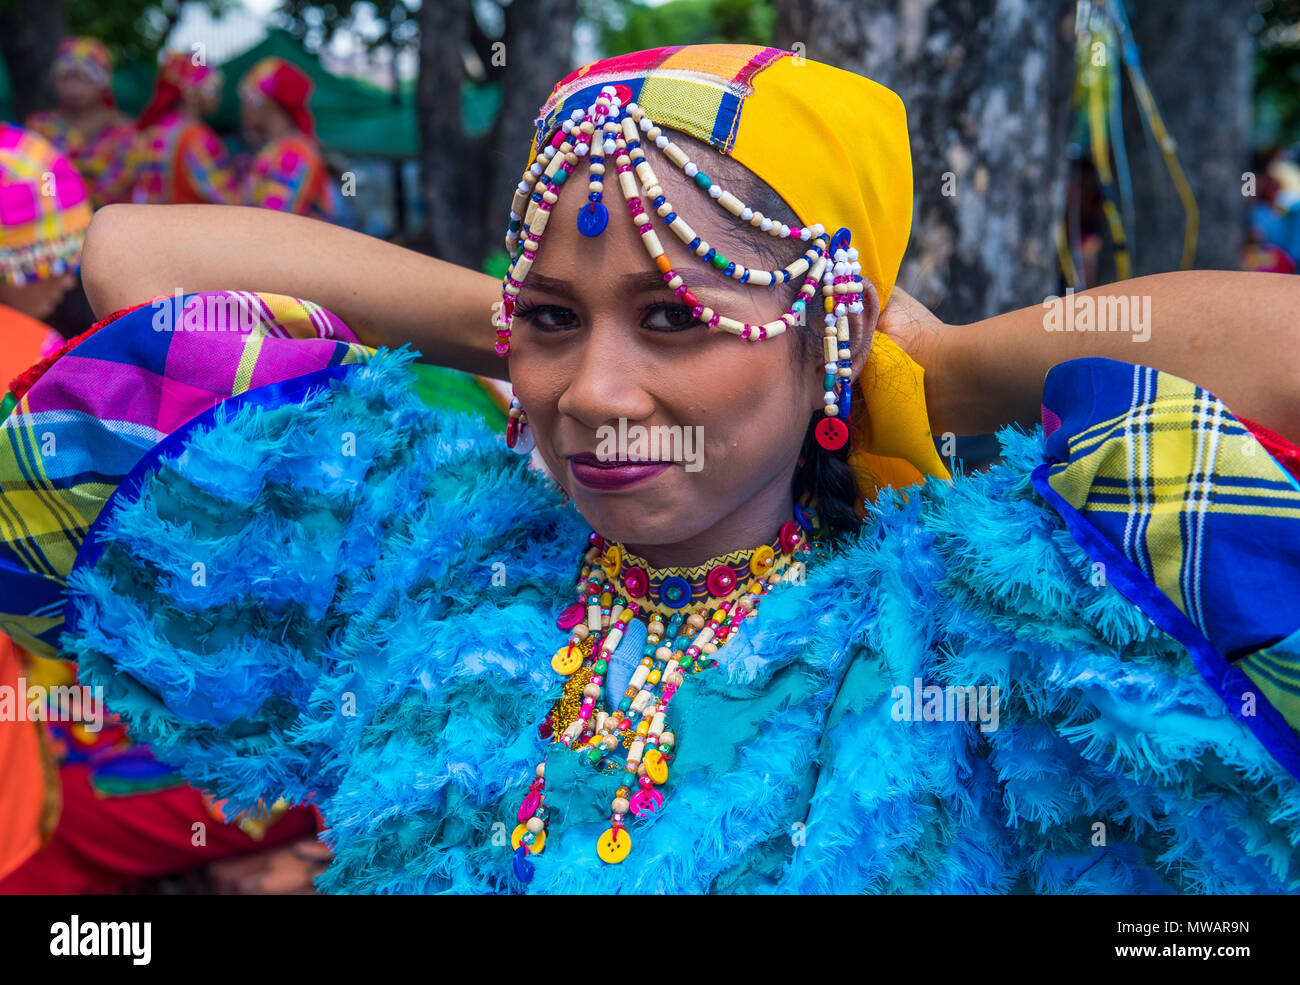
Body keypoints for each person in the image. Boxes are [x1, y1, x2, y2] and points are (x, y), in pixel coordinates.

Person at [6, 44, 1300, 893]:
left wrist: (936, 364)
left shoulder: (959, 622)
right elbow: (130, 260)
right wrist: (517, 315)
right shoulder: (437, 551)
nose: (597, 397)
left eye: (679, 317)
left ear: (828, 334)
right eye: (562, 325)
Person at [25, 38, 135, 208]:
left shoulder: (124, 132)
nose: (73, 87)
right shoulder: (40, 127)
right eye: (66, 77)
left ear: (103, 82)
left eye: (85, 78)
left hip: (110, 226)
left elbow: (119, 187)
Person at [125, 52, 240, 206]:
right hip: (185, 227)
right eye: (211, 87)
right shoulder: (196, 137)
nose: (217, 95)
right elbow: (228, 199)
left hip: (144, 225)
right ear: (190, 93)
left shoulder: (147, 131)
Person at [238, 57, 336, 220]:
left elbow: (271, 222)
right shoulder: (279, 148)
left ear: (268, 103)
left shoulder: (292, 154)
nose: (242, 108)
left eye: (247, 97)